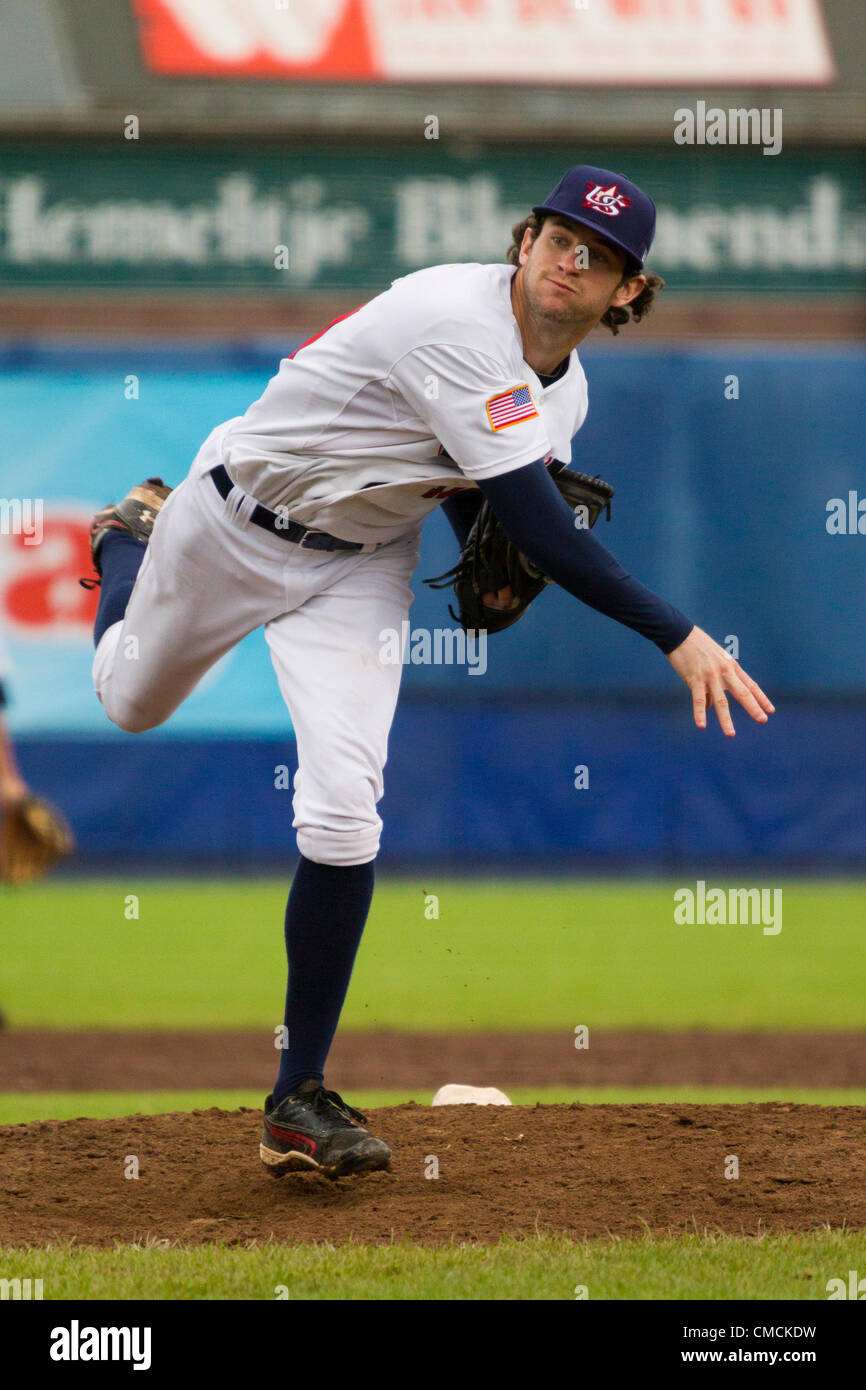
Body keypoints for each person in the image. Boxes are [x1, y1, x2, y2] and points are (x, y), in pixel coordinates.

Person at [84, 165, 774, 1178]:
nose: (569, 261)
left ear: (626, 291)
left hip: (358, 567)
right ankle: (123, 541)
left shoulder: (564, 390)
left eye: (598, 257)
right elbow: (538, 522)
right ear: (524, 242)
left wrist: (489, 575)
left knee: (344, 813)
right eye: (557, 237)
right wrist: (675, 632)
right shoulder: (450, 315)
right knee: (127, 703)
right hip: (232, 521)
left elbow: (477, 489)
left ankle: (296, 1097)